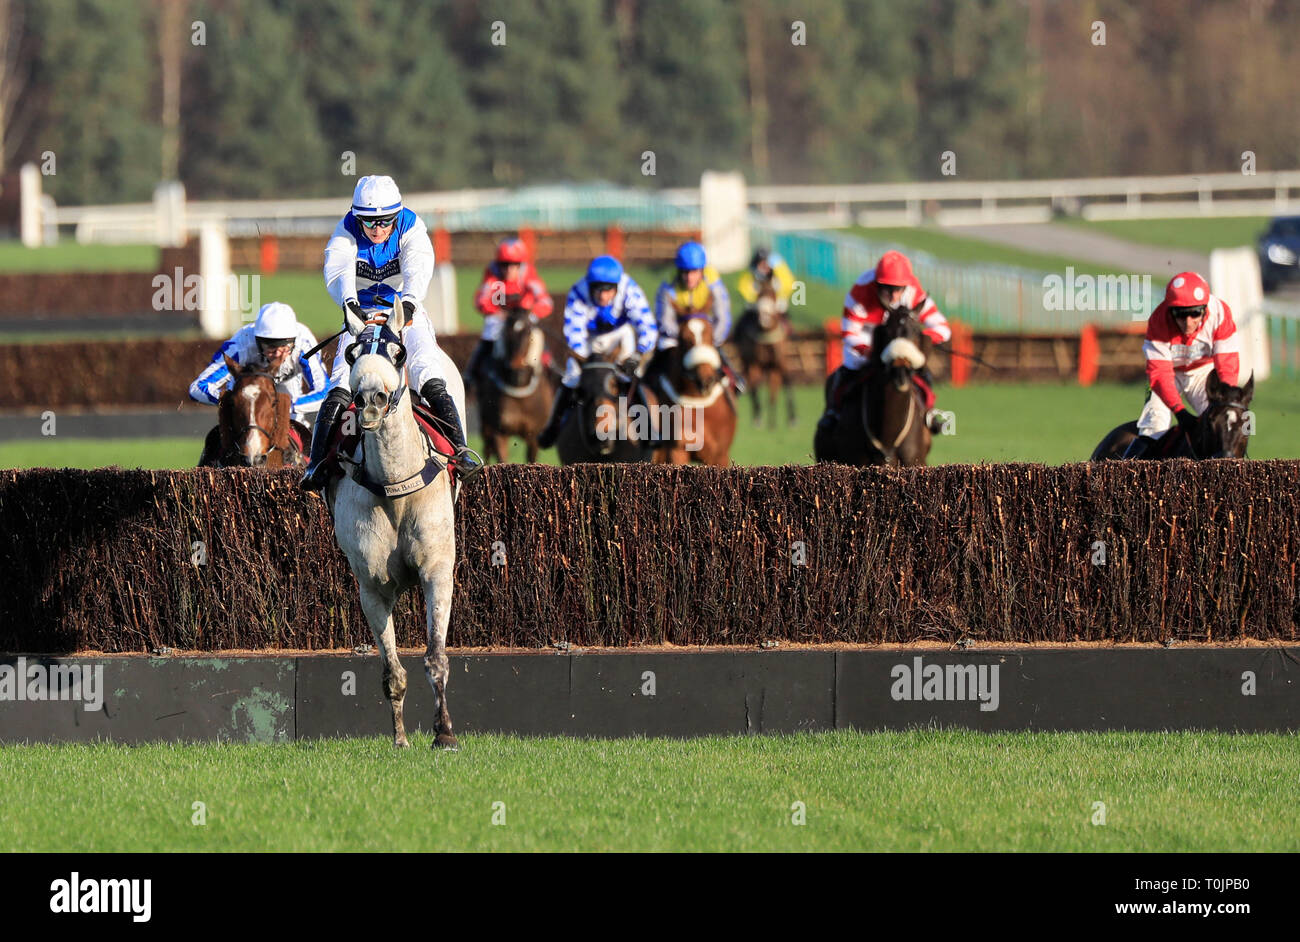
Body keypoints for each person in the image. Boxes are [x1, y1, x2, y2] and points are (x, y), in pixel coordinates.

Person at [300, 174, 478, 491]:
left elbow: (418, 266)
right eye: (370, 222)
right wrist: (349, 303)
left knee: (426, 370)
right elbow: (338, 268)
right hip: (363, 317)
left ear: (396, 216)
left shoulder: (411, 225)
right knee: (340, 383)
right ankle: (316, 466)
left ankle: (462, 452)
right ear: (358, 218)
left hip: (403, 313)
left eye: (385, 222)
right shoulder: (346, 228)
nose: (379, 229)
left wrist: (408, 303)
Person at [818, 250, 950, 433]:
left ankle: (928, 412)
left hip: (898, 338)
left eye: (899, 289)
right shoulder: (861, 290)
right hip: (867, 335)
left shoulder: (914, 292)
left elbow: (942, 328)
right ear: (877, 283)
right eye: (888, 288)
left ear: (906, 285)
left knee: (921, 370)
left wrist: (918, 343)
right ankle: (834, 412)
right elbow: (849, 332)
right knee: (851, 365)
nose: (894, 295)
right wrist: (874, 352)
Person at [536, 255, 656, 448]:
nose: (602, 295)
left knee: (631, 376)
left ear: (616, 287)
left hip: (619, 336)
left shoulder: (630, 290)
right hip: (588, 341)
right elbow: (574, 334)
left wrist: (638, 355)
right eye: (597, 289)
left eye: (608, 290)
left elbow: (648, 328)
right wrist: (589, 362)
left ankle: (647, 429)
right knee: (572, 377)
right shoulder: (578, 292)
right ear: (590, 285)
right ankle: (553, 427)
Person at [189, 301, 327, 464]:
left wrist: (281, 405)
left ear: (294, 340)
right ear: (258, 341)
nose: (277, 354)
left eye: (284, 346)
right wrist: (233, 400)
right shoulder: (240, 345)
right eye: (270, 346)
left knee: (303, 433)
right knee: (222, 437)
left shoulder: (304, 344)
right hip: (245, 390)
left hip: (287, 388)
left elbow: (325, 391)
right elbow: (197, 387)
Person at [1122, 271, 1240, 458]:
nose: (1188, 322)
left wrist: (1225, 396)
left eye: (1195, 313)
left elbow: (1227, 365)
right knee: (1155, 426)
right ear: (1170, 310)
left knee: (1224, 425)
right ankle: (1126, 470)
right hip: (1168, 376)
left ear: (1205, 309)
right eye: (1180, 314)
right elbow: (1160, 374)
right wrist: (1180, 411)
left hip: (1203, 374)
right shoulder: (1158, 321)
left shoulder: (1220, 313)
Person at [653, 240, 744, 392]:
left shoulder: (713, 282)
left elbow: (723, 316)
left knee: (721, 358)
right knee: (659, 355)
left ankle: (734, 381)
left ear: (702, 270)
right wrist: (685, 338)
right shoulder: (668, 285)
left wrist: (711, 338)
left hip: (705, 332)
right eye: (685, 272)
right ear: (679, 271)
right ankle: (648, 385)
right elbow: (664, 320)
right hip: (677, 334)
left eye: (694, 272)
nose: (689, 278)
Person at [464, 236, 554, 387]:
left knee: (536, 336)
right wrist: (496, 311)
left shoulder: (528, 274)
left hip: (524, 317)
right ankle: (471, 375)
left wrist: (533, 314)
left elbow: (545, 301)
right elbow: (481, 300)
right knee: (489, 332)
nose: (509, 269)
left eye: (515, 264)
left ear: (521, 264)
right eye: (504, 264)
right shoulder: (493, 273)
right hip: (501, 317)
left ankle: (550, 370)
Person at [737, 247, 796, 313]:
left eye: (766, 263)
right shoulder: (750, 277)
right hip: (756, 305)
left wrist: (777, 298)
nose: (764, 266)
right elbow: (746, 291)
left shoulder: (778, 274)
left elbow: (787, 284)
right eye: (761, 263)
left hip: (776, 303)